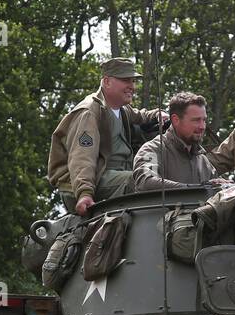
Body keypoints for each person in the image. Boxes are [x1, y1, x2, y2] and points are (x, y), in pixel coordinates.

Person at [47, 58, 166, 215]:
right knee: (141, 180)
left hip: (112, 177)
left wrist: (157, 115)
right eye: (125, 80)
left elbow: (139, 115)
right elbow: (82, 158)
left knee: (158, 173)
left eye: (133, 81)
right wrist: (85, 194)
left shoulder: (120, 109)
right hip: (86, 183)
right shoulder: (89, 113)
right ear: (107, 81)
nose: (132, 86)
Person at [132, 92, 230, 190]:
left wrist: (221, 186)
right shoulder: (153, 150)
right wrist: (193, 189)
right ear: (175, 120)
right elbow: (145, 182)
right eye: (196, 120)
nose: (202, 126)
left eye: (204, 120)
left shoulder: (202, 161)